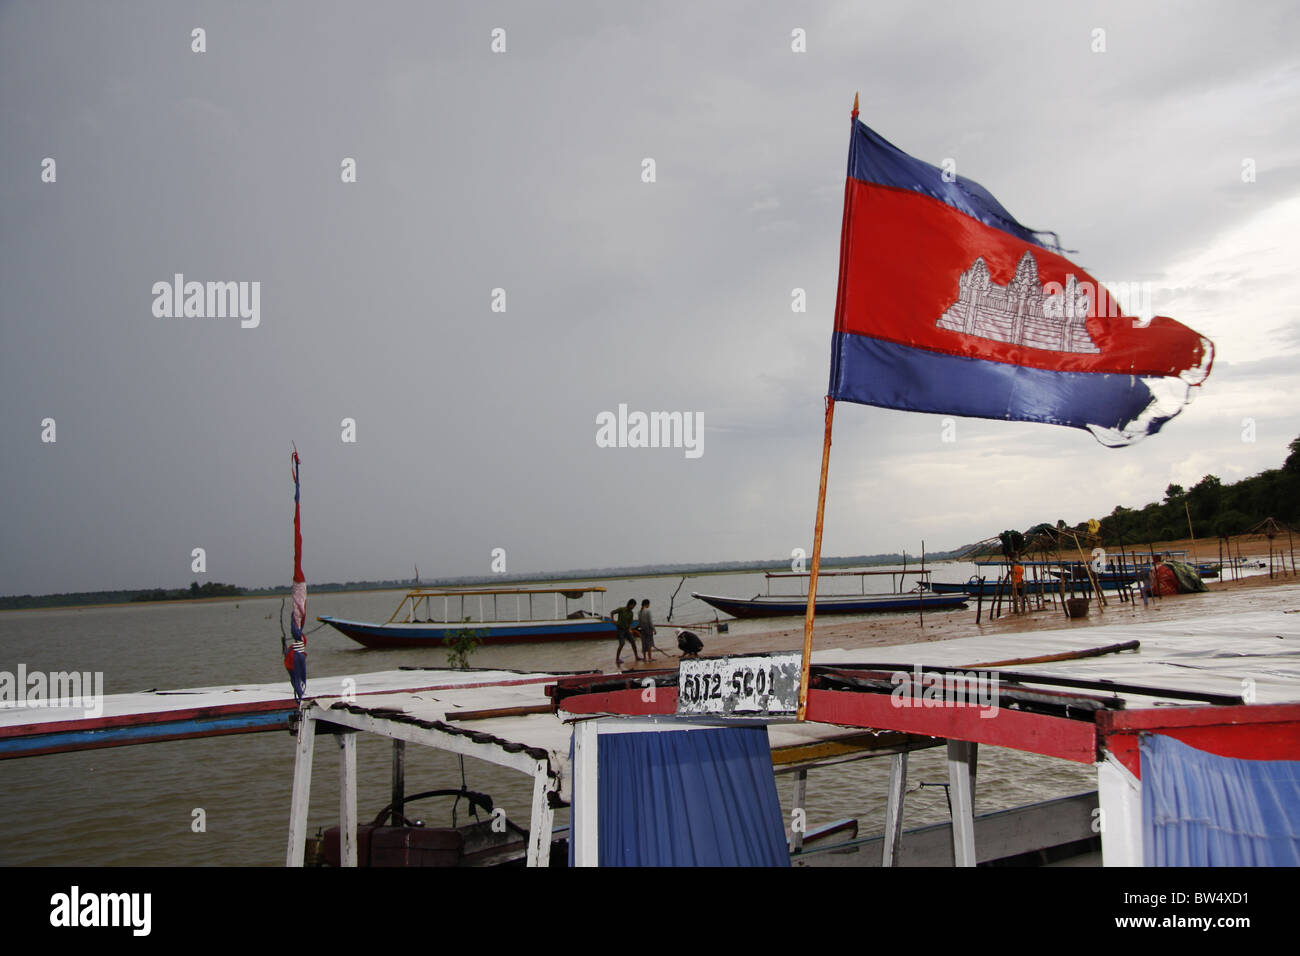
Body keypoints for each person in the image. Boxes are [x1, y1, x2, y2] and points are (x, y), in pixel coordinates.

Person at [612, 598, 639, 667]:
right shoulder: (621, 609)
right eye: (633, 606)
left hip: (627, 629)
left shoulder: (631, 613)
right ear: (630, 604)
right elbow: (612, 612)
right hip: (620, 629)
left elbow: (630, 622)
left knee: (633, 642)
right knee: (622, 643)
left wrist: (630, 629)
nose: (633, 607)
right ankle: (617, 659)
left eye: (634, 606)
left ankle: (637, 657)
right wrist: (613, 620)